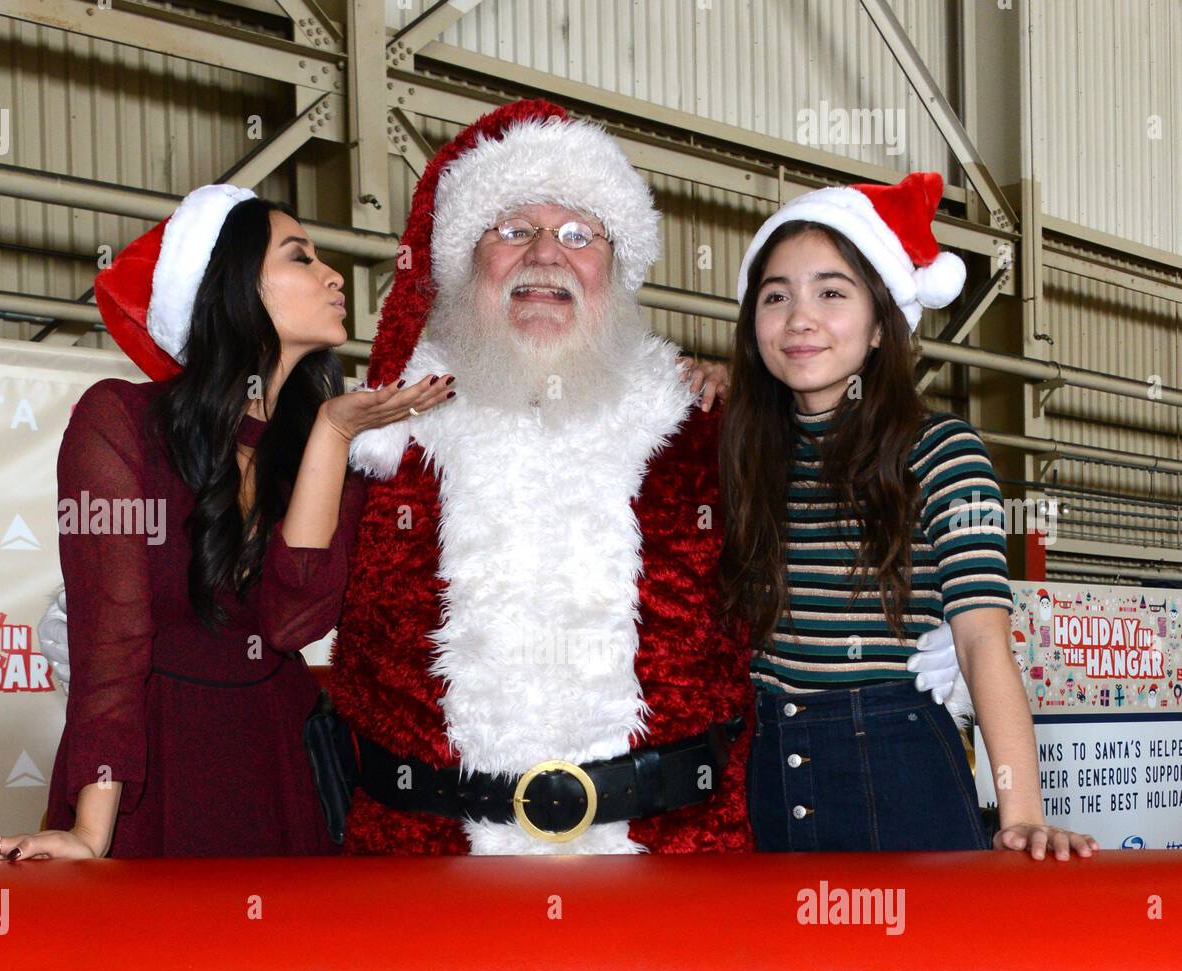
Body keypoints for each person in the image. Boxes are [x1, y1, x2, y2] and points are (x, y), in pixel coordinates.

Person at [326, 102, 971, 854]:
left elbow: (840, 503)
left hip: (677, 876)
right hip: (426, 880)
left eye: (578, 234)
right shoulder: (380, 432)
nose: (545, 254)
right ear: (464, 258)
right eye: (512, 229)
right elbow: (278, 605)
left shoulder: (705, 422)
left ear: (616, 267)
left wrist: (934, 632)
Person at [0, 183, 452, 861]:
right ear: (230, 286)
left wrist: (331, 432)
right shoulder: (119, 421)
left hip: (282, 771)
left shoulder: (327, 449)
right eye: (300, 258)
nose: (333, 276)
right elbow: (111, 642)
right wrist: (92, 831)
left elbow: (292, 624)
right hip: (156, 772)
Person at [719, 172, 1098, 860]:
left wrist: (1022, 814)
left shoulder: (941, 448)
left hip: (894, 767)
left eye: (832, 292)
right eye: (776, 297)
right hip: (766, 773)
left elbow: (982, 639)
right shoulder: (742, 450)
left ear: (878, 325)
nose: (799, 317)